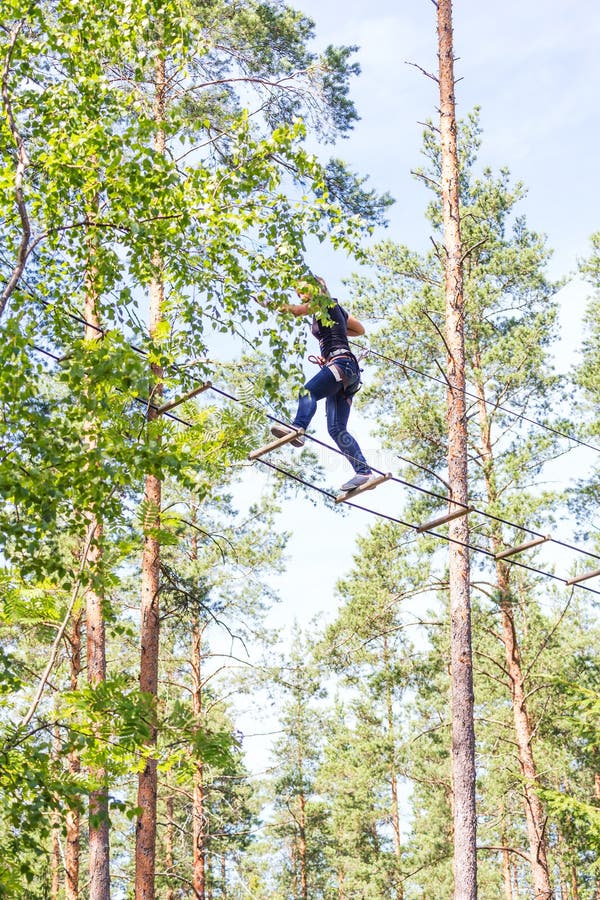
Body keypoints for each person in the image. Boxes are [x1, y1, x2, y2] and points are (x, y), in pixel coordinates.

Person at [270, 275, 373, 492]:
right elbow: (359, 329)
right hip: (346, 370)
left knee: (308, 392)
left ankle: (298, 428)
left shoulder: (324, 303)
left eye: (302, 290)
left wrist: (272, 304)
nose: (299, 295)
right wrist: (338, 329)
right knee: (336, 428)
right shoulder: (334, 309)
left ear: (317, 288)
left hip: (341, 363)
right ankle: (363, 471)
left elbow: (297, 311)